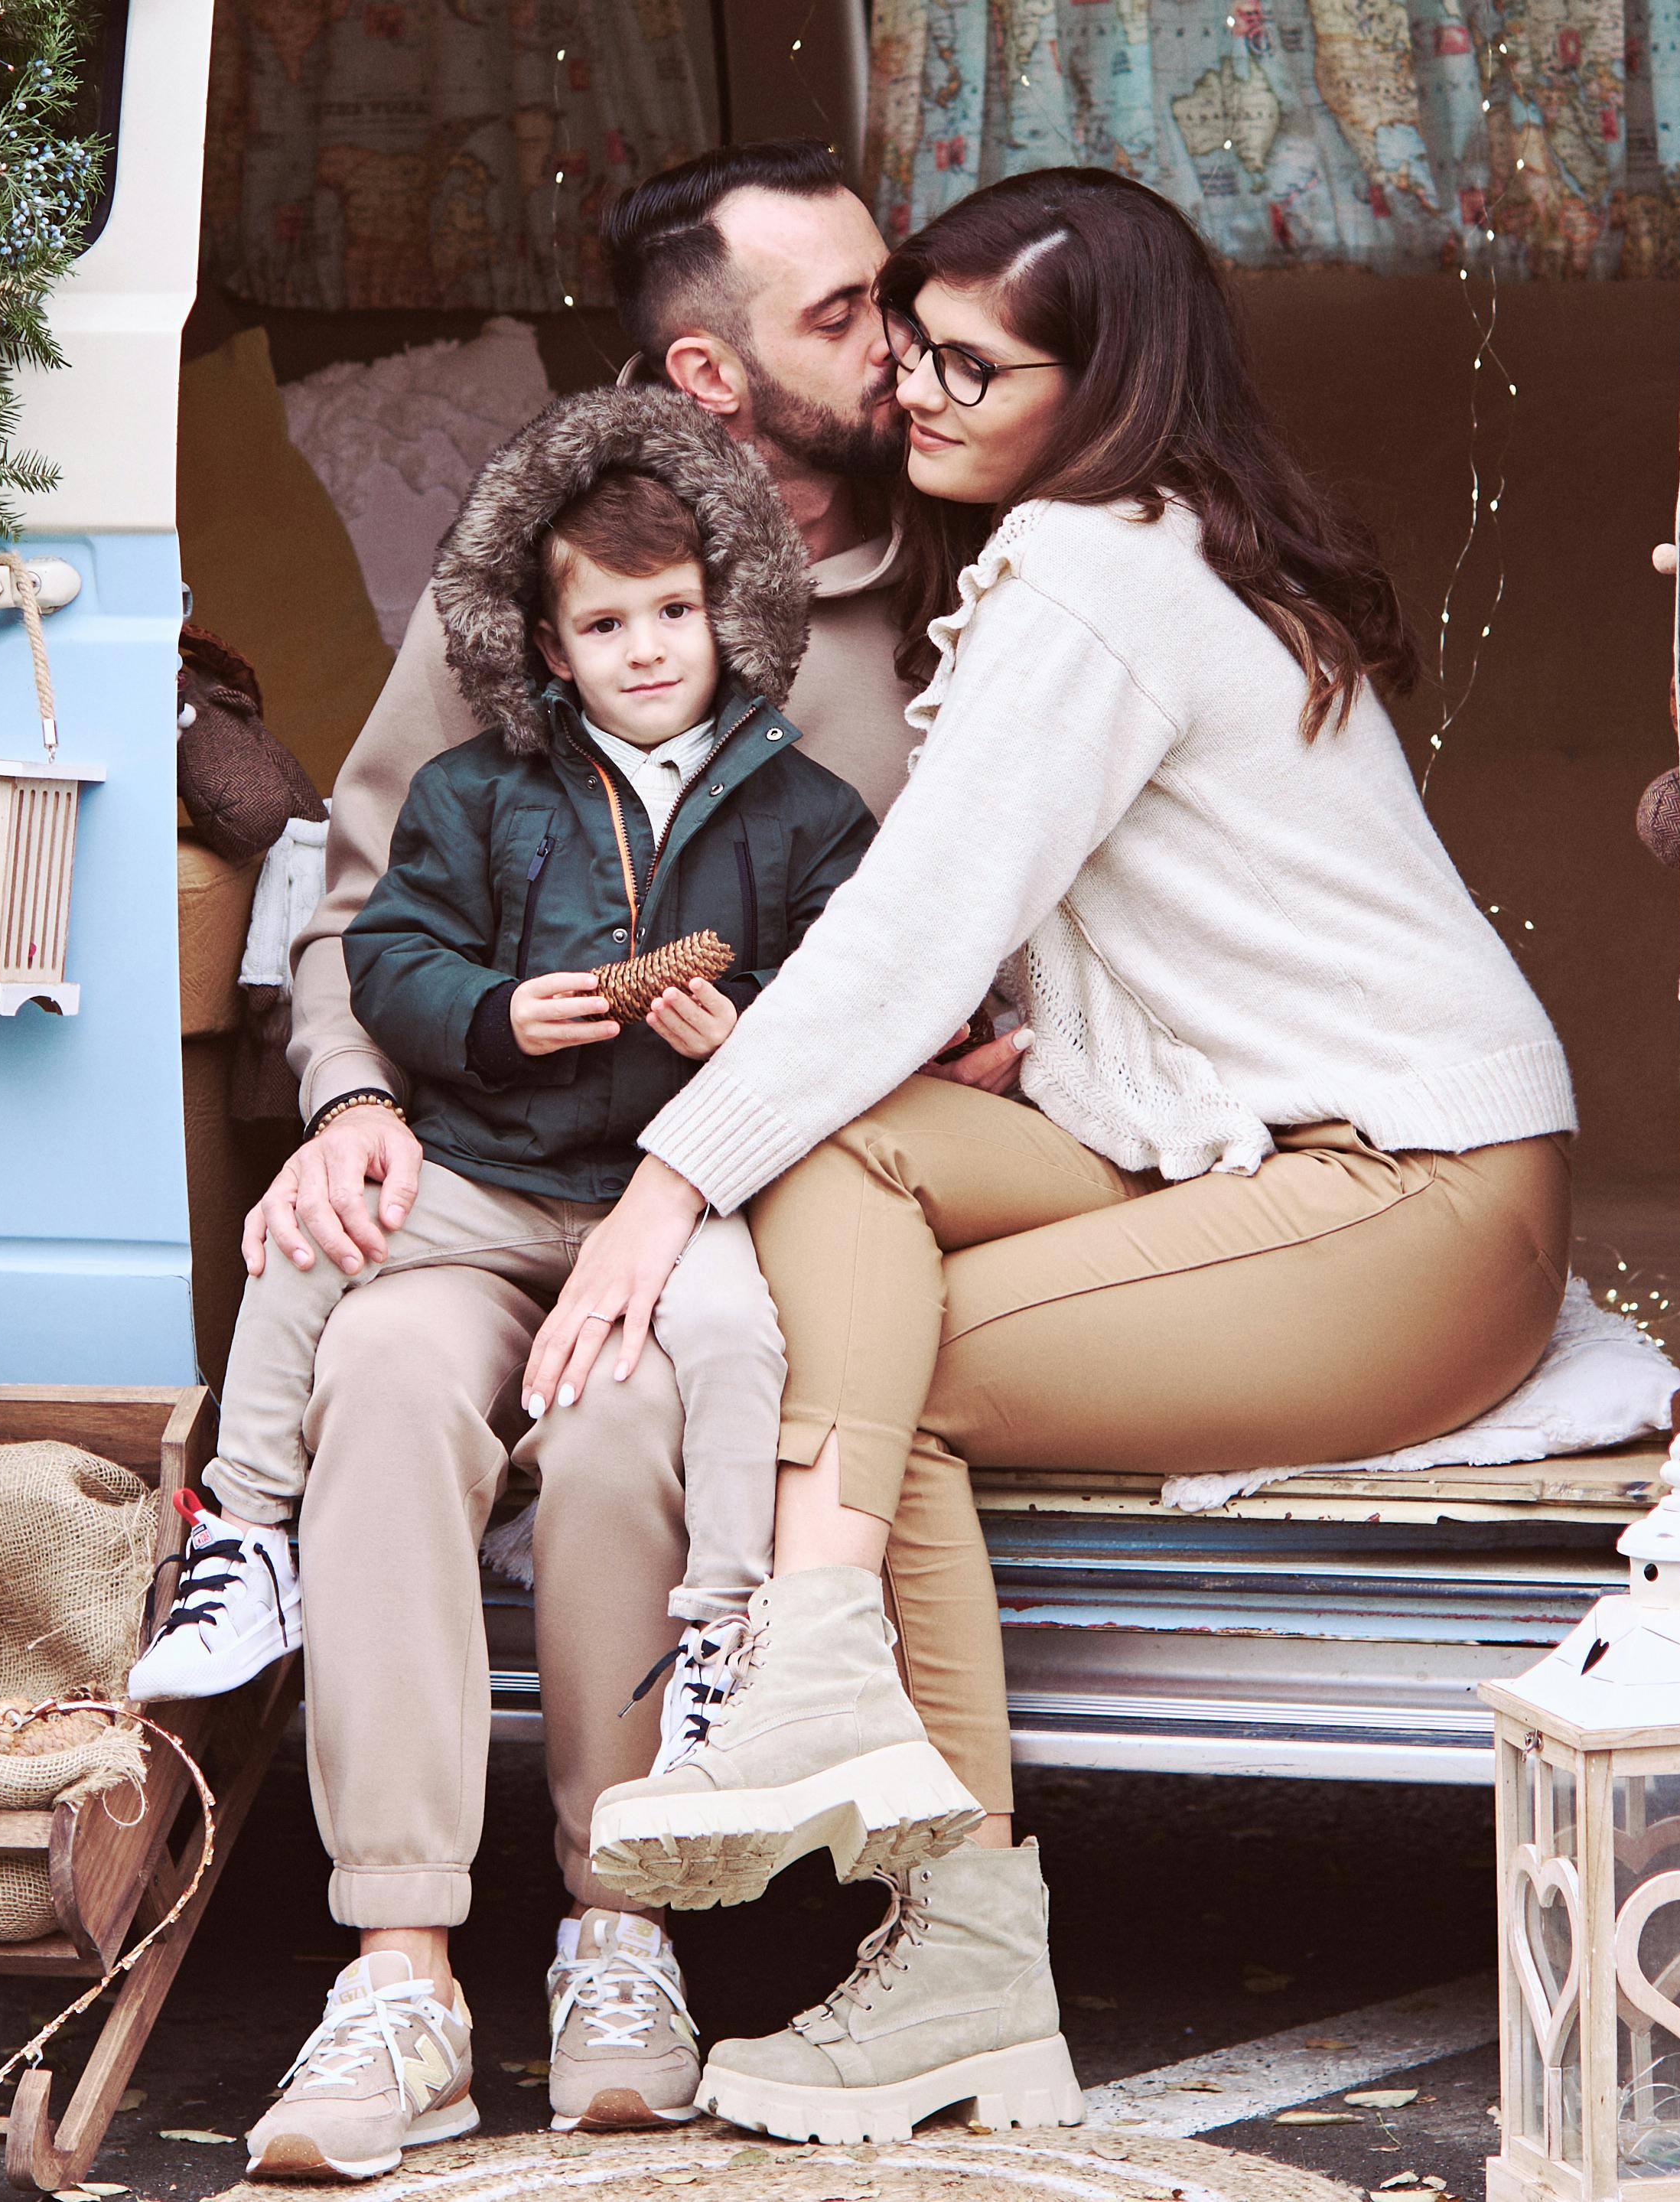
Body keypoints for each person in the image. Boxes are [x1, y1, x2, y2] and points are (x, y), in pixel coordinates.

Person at [534, 167, 1582, 2148]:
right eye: (905, 343)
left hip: (1412, 1200)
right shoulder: (1141, 538)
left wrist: (662, 1184)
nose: (914, 389)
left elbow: (909, 928)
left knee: (879, 1359)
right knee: (844, 1165)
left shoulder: (1090, 574)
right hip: (1284, 1160)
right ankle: (853, 1720)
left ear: (1098, 383)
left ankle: (939, 1911)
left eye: (967, 362)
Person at [230, 142, 985, 2178]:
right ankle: (393, 1965)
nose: (903, 338)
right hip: (480, 1160)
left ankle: (617, 1925)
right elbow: (356, 897)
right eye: (844, 313)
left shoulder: (960, 582)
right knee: (384, 1372)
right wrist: (356, 1104)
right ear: (709, 375)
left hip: (721, 1204)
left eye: (893, 290)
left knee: (628, 1415)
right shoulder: (546, 580)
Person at [139, 393, 878, 1749]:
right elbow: (390, 950)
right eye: (604, 626)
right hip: (488, 1167)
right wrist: (491, 1016)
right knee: (311, 1236)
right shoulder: (476, 790)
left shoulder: (804, 808)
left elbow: (851, 989)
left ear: (728, 611)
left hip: (681, 1195)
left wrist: (748, 1027)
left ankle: (722, 1627)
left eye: (671, 613)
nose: (644, 650)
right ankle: (244, 1536)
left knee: (734, 1337)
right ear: (546, 645)